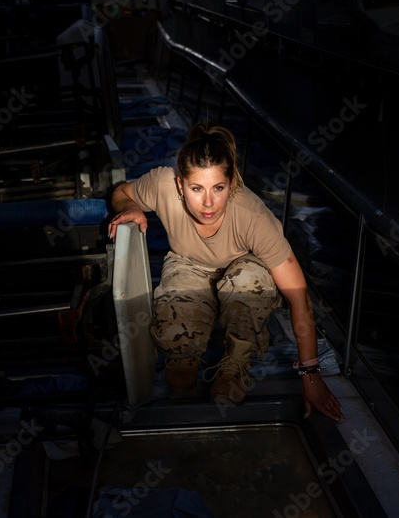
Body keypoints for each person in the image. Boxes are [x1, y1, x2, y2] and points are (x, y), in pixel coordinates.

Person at [108, 123, 343, 421]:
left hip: (242, 271)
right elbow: (120, 192)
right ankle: (184, 357)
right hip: (189, 265)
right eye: (197, 189)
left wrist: (311, 376)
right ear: (181, 186)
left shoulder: (255, 218)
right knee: (179, 375)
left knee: (249, 279)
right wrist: (132, 208)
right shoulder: (162, 184)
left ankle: (235, 365)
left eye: (218, 188)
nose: (208, 203)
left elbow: (300, 300)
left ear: (231, 185)